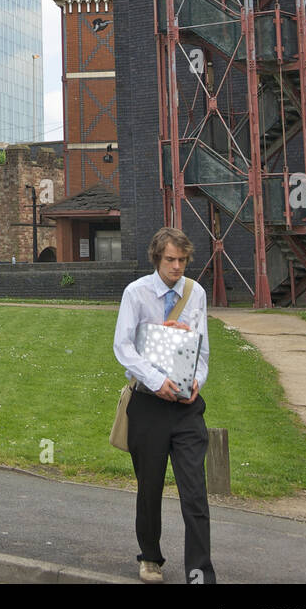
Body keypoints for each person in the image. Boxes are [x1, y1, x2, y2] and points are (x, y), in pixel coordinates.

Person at [113, 226, 216, 585]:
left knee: (195, 493)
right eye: (170, 260)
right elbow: (123, 348)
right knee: (150, 487)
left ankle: (200, 572)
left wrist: (196, 381)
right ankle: (150, 558)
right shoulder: (136, 293)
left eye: (183, 260)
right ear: (157, 258)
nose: (177, 267)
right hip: (148, 404)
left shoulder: (195, 293)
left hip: (187, 407)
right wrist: (158, 383)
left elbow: (201, 346)